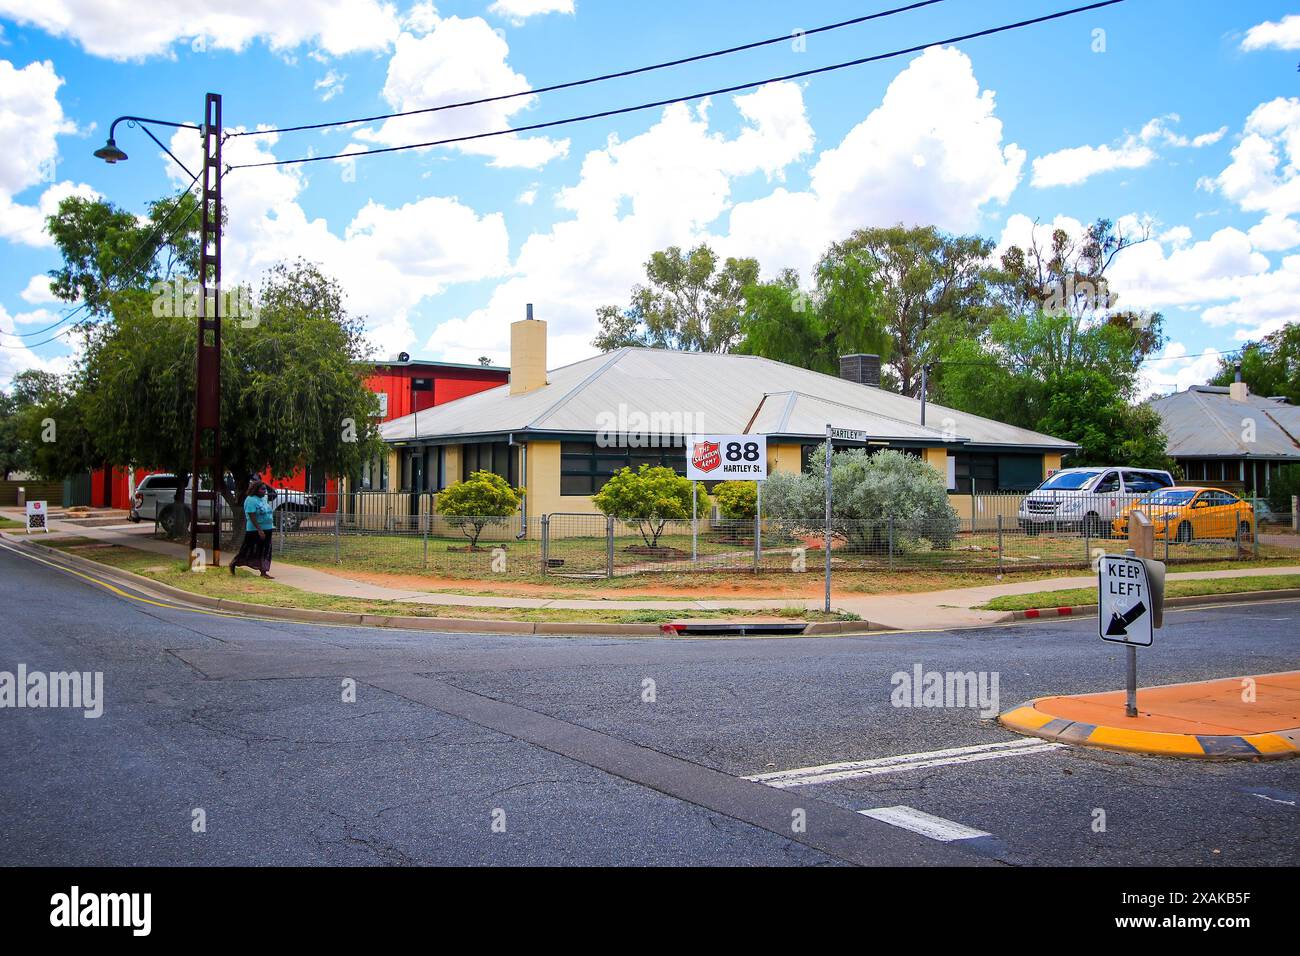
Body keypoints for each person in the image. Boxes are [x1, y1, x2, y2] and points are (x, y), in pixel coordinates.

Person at [230, 481, 275, 578]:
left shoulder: (264, 498)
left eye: (265, 489)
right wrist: (259, 530)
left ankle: (263, 571)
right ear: (255, 489)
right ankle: (235, 563)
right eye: (262, 489)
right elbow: (252, 515)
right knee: (249, 548)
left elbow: (273, 496)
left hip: (268, 528)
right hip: (254, 529)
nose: (264, 491)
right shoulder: (250, 500)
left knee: (265, 550)